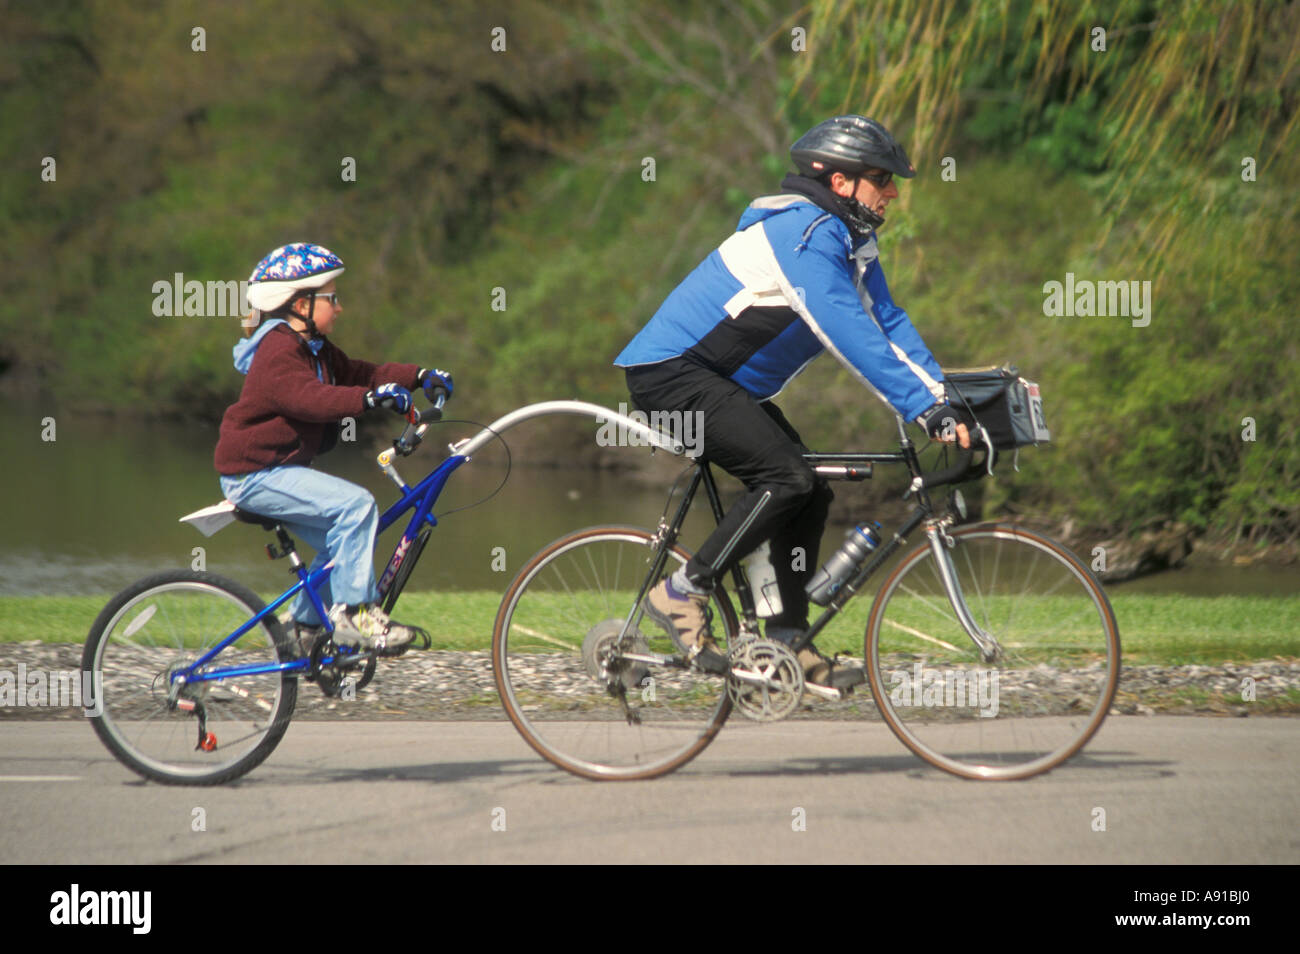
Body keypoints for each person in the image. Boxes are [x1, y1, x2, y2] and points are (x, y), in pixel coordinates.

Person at [614, 115, 971, 689]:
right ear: (839, 183)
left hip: (718, 384)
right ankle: (683, 592)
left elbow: (889, 323)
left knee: (809, 487)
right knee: (787, 480)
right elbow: (848, 330)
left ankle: (785, 643)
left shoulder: (851, 241)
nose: (894, 192)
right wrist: (920, 409)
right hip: (668, 378)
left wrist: (944, 398)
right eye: (882, 179)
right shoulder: (803, 234)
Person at [214, 242, 453, 654]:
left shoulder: (315, 348)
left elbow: (363, 372)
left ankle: (304, 630)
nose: (339, 307)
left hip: (276, 470)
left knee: (341, 541)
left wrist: (418, 375)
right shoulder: (278, 350)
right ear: (299, 303)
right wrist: (368, 400)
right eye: (332, 298)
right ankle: (356, 613)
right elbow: (308, 398)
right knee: (356, 506)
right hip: (253, 474)